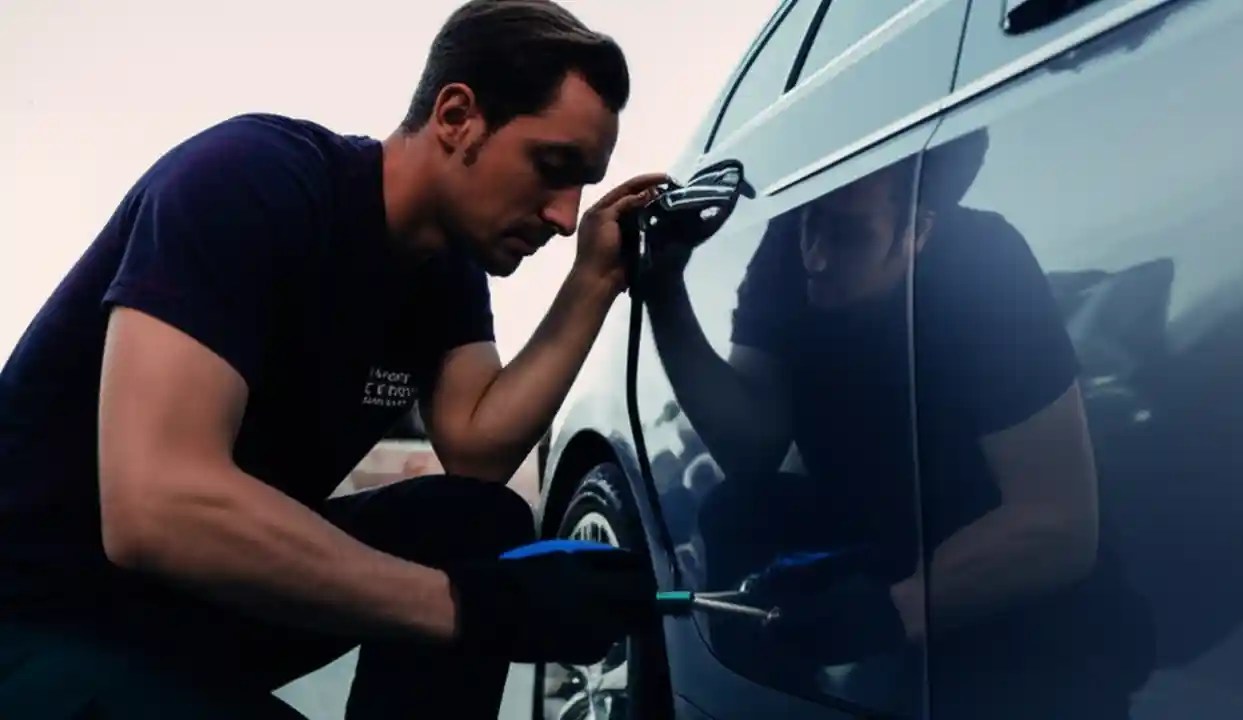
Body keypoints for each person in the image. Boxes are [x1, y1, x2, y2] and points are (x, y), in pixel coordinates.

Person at [0, 1, 664, 717]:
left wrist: (593, 281)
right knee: (475, 582)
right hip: (42, 614)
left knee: (475, 524)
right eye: (552, 167)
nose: (566, 217)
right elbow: (156, 509)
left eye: (583, 186)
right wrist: (462, 606)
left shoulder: (443, 268)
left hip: (195, 606)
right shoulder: (249, 181)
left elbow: (477, 450)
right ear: (456, 117)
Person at [644, 132, 1154, 718]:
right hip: (869, 527)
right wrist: (665, 293)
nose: (817, 256)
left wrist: (895, 610)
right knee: (737, 514)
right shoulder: (790, 247)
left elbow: (1057, 524)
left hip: (999, 556)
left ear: (920, 232)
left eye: (849, 235)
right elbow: (751, 448)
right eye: (812, 225)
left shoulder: (985, 268)